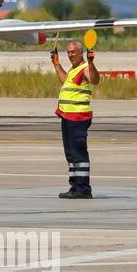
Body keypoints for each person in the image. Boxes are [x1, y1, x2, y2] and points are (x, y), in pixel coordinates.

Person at [50, 39, 99, 198]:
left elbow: (95, 80)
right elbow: (65, 80)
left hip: (78, 117)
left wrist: (91, 63)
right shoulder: (73, 69)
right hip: (67, 115)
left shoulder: (85, 68)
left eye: (73, 52)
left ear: (81, 53)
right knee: (70, 154)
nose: (70, 55)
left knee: (78, 153)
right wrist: (56, 64)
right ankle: (75, 186)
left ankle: (83, 188)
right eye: (69, 52)